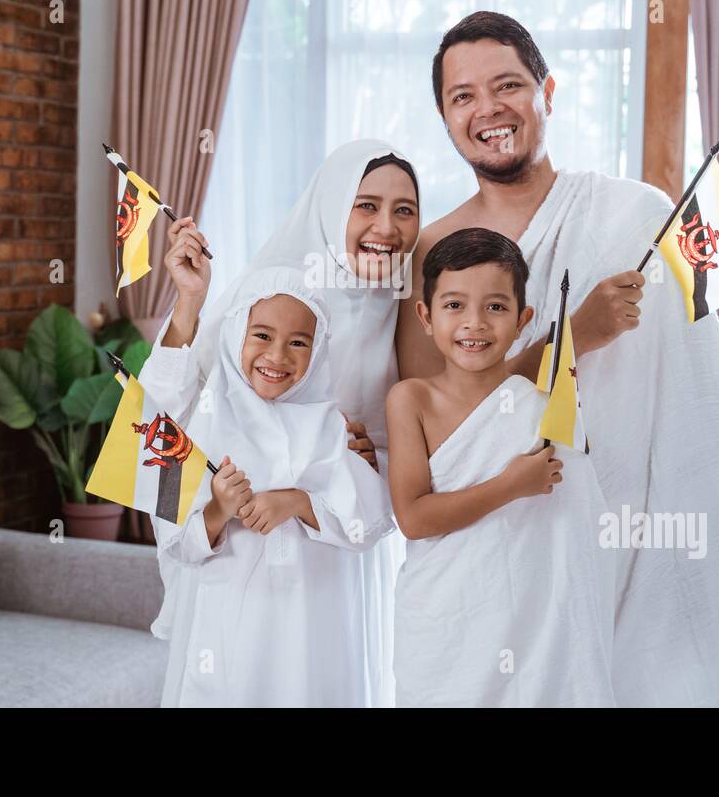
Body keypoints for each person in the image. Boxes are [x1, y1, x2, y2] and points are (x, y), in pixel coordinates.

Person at [396, 11, 719, 707]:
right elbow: (442, 426)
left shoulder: (639, 216)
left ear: (548, 92)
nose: (487, 108)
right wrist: (576, 336)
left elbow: (701, 400)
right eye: (463, 96)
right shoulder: (433, 249)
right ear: (444, 114)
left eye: (508, 85)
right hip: (491, 554)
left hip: (632, 530)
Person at [156, 139, 421, 706]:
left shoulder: (407, 301)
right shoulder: (274, 291)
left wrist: (374, 461)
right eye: (366, 204)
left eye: (404, 209)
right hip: (237, 555)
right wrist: (189, 300)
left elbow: (421, 422)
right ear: (331, 205)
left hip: (340, 550)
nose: (386, 226)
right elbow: (170, 420)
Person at [142, 263, 394, 706]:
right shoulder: (198, 424)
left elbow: (370, 525)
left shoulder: (332, 427)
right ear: (235, 331)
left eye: (299, 342)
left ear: (317, 352)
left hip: (313, 625)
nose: (277, 356)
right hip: (229, 626)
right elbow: (174, 539)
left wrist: (298, 502)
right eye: (261, 335)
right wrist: (218, 509)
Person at [387, 227, 616, 706]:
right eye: (454, 306)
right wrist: (510, 486)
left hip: (531, 622)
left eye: (495, 307)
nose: (475, 323)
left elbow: (578, 519)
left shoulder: (543, 409)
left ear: (522, 319)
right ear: (426, 317)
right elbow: (413, 519)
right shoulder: (412, 400)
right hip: (448, 618)